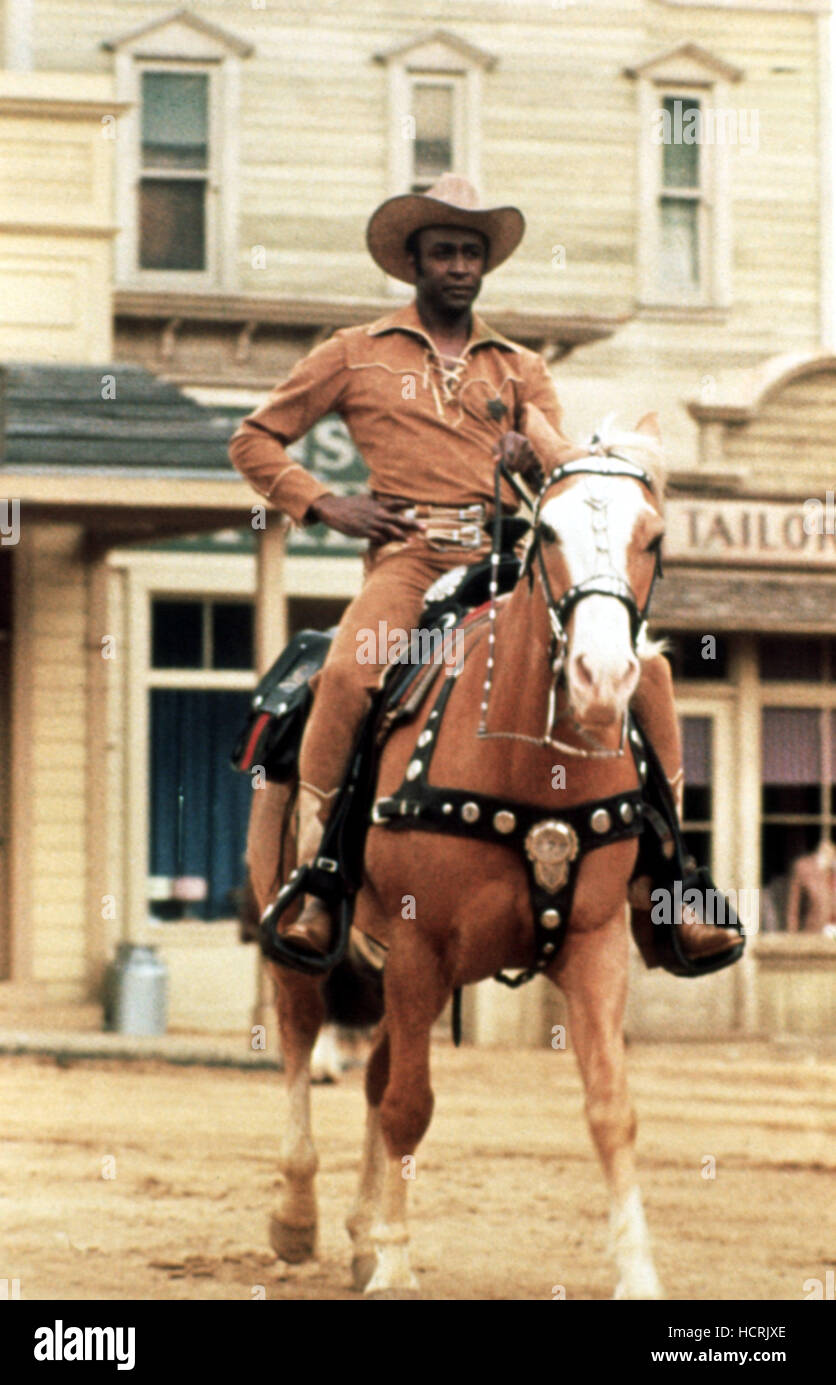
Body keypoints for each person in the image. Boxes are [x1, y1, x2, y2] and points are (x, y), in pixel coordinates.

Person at [229, 173, 737, 963]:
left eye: (471, 252)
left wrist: (530, 455)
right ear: (414, 261)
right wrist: (325, 504)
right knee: (348, 677)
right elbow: (253, 439)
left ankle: (670, 883)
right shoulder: (353, 354)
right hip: (409, 559)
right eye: (444, 252)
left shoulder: (519, 367)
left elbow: (561, 472)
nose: (459, 266)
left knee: (652, 676)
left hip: (509, 561)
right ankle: (319, 879)